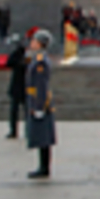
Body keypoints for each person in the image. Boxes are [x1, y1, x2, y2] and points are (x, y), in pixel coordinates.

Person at [25, 28, 56, 178]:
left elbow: (41, 85)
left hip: (41, 102)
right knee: (41, 136)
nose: (32, 43)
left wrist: (38, 106)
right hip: (36, 100)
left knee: (43, 137)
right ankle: (43, 166)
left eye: (34, 41)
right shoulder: (36, 58)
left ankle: (44, 167)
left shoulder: (40, 61)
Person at [5, 33, 27, 138]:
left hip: (25, 86)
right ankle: (13, 131)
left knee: (27, 111)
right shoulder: (17, 55)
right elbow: (8, 63)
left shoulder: (29, 56)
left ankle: (28, 130)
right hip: (17, 86)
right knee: (14, 111)